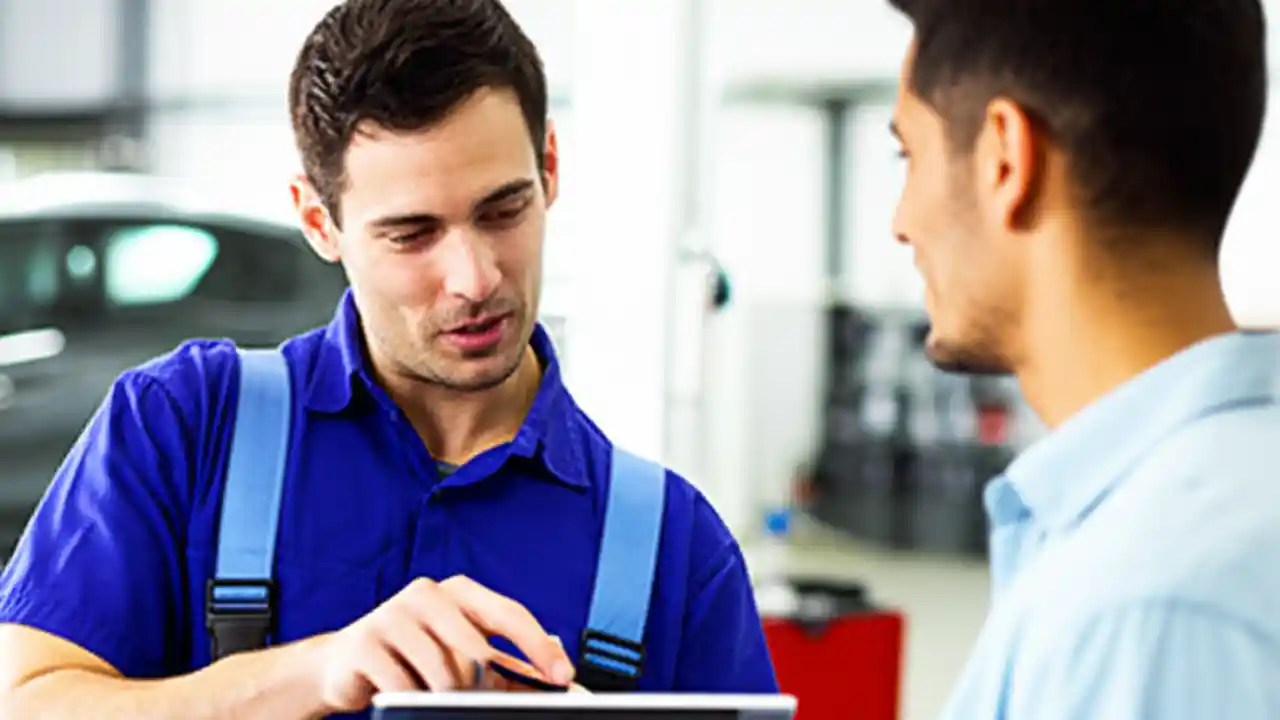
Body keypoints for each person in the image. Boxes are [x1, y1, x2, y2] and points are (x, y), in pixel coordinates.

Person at [0, 1, 778, 717]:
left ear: (549, 169)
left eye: (503, 209)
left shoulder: (677, 551)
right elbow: (28, 701)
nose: (474, 279)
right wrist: (315, 672)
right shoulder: (184, 429)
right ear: (319, 221)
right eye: (412, 234)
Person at [885, 0, 1280, 717]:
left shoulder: (1148, 606)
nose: (900, 222)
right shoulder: (1223, 502)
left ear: (1006, 158)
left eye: (907, 157)